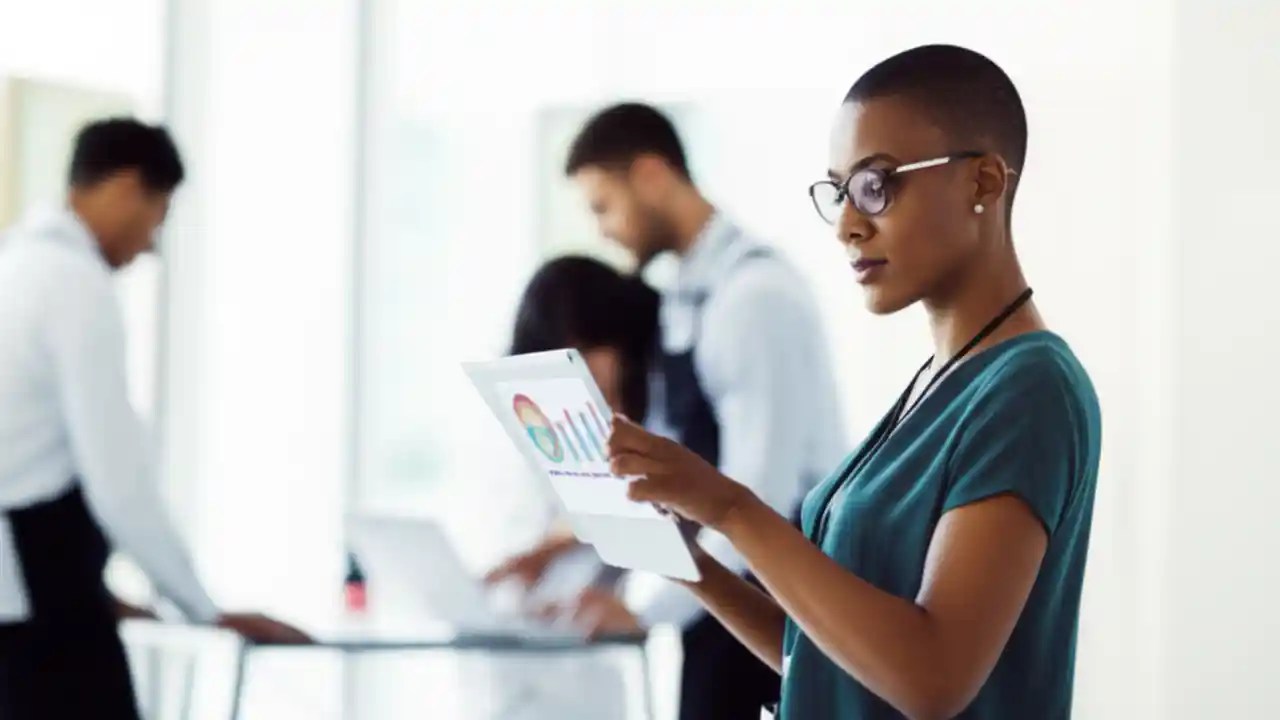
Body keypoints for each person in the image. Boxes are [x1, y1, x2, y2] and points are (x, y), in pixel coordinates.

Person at [604, 45, 1102, 719]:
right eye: (839, 192)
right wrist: (684, 560)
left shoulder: (1028, 387)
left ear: (983, 182)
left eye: (877, 185)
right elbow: (818, 652)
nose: (847, 224)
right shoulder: (937, 385)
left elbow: (931, 677)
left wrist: (728, 507)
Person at [490, 103, 848, 720]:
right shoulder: (688, 300)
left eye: (603, 205)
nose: (603, 230)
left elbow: (758, 492)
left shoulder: (753, 299)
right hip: (725, 599)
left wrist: (647, 606)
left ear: (652, 175)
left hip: (779, 599)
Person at [0, 118, 308, 720]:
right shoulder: (74, 284)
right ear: (127, 186)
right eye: (158, 211)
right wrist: (202, 606)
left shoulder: (16, 268)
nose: (151, 242)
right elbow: (119, 481)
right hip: (42, 600)